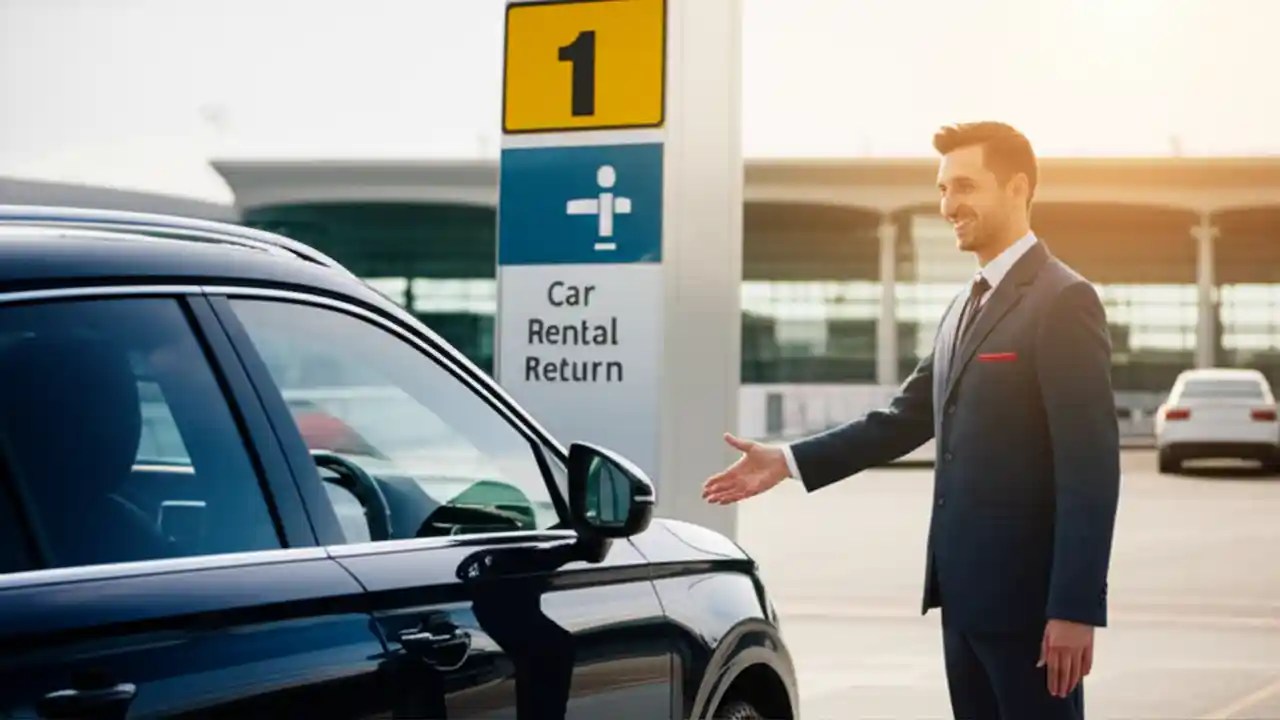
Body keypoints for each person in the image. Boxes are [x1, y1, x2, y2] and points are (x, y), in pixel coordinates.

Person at [702, 121, 1121, 720]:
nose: (949, 205)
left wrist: (1075, 608)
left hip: (1031, 613)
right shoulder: (962, 306)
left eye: (965, 187)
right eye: (943, 189)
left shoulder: (1063, 300)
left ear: (1018, 188)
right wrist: (788, 461)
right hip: (963, 605)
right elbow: (900, 420)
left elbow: (1090, 469)